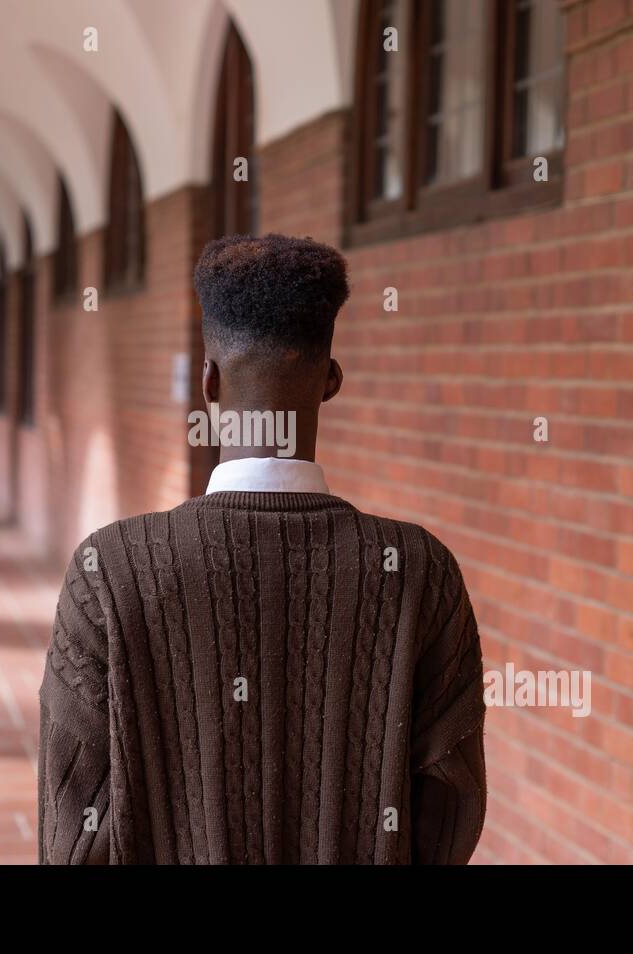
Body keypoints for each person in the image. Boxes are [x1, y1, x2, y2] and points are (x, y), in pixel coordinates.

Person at [37, 233, 486, 864]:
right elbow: (449, 802)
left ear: (209, 382)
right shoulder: (418, 571)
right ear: (331, 381)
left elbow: (74, 824)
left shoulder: (106, 570)